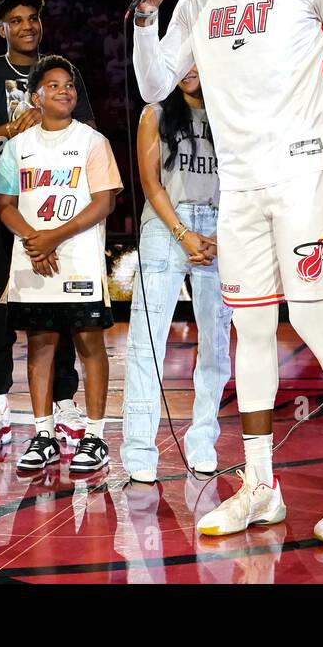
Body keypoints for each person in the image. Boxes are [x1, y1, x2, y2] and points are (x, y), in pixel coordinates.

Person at [131, 0, 323, 541]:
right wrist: (144, 18)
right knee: (248, 330)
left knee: (310, 315)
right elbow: (157, 85)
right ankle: (261, 486)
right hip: (239, 182)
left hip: (306, 166)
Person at [0, 0, 97, 453]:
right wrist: (7, 131)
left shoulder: (62, 73)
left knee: (59, 314)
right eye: (16, 20)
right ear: (1, 28)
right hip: (1, 213)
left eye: (32, 18)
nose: (27, 26)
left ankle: (63, 403)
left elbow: (89, 132)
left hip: (56, 212)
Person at [0, 56, 122, 472]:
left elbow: (105, 202)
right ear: (35, 96)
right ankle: (43, 433)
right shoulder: (17, 147)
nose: (65, 90)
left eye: (69, 84)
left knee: (89, 345)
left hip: (77, 261)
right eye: (54, 85)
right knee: (40, 346)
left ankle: (95, 437)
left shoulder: (92, 141)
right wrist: (35, 239)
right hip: (34, 259)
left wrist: (52, 237)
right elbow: (4, 205)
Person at [121, 65, 233, 481]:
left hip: (219, 228)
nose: (188, 69)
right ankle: (138, 448)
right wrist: (184, 233)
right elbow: (150, 182)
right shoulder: (155, 112)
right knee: (145, 342)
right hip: (166, 229)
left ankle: (202, 439)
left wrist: (223, 234)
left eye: (195, 59)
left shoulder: (229, 110)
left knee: (216, 346)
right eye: (179, 60)